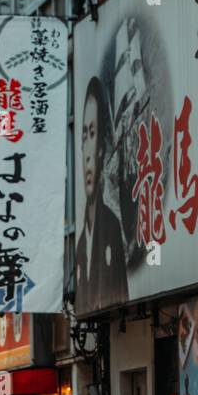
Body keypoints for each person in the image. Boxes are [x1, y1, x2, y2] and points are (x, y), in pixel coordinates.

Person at [75, 75, 129, 314]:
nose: (87, 151)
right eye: (84, 136)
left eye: (93, 133)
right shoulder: (79, 248)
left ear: (102, 150)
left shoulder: (112, 229)